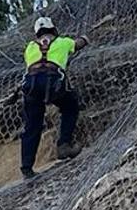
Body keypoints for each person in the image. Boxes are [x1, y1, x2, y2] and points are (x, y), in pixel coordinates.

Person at [19, 16, 88, 179]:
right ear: (53, 30)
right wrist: (84, 38)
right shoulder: (62, 42)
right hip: (54, 81)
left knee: (32, 126)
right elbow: (77, 45)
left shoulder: (30, 47)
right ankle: (64, 144)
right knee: (70, 106)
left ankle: (27, 168)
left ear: (37, 33)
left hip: (31, 85)